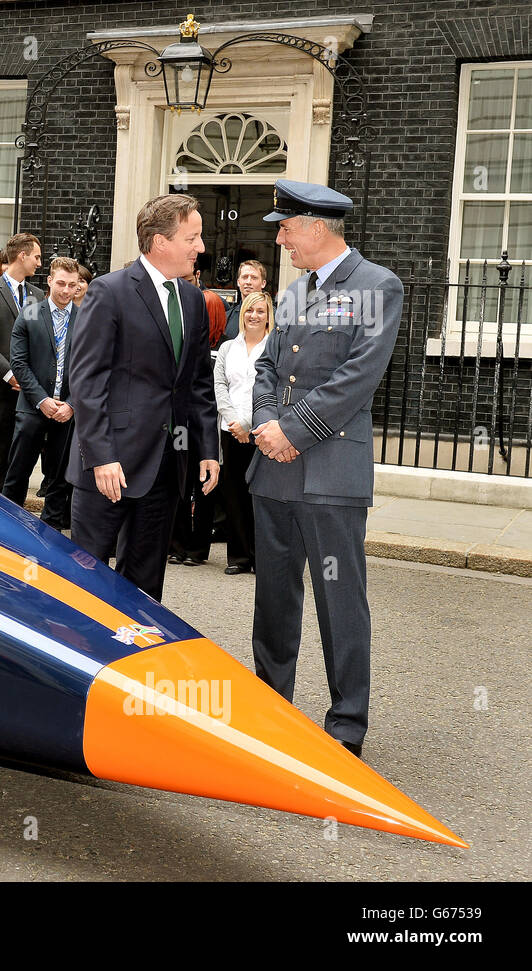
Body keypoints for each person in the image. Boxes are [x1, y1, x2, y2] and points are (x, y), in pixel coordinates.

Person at [249, 179, 403, 759]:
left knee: (340, 600)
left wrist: (292, 431)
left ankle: (346, 725)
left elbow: (360, 376)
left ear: (316, 227)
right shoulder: (293, 291)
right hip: (274, 472)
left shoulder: (377, 286)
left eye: (286, 228)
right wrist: (266, 424)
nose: (281, 238)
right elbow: (266, 366)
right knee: (274, 600)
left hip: (329, 473)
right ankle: (270, 709)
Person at [66, 194, 220, 602]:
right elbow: (86, 379)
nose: (201, 247)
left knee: (145, 587)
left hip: (168, 466)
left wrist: (207, 448)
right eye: (193, 237)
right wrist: (100, 456)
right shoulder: (109, 291)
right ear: (160, 242)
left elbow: (197, 382)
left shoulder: (192, 300)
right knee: (88, 580)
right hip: (109, 466)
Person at [3, 257, 79, 530]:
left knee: (59, 478)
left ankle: (52, 533)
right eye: (60, 283)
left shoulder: (84, 319)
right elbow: (19, 363)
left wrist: (70, 404)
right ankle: (9, 529)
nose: (66, 291)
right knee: (18, 473)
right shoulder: (31, 312)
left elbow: (90, 368)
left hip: (68, 413)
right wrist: (42, 400)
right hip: (33, 407)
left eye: (72, 285)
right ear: (49, 281)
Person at [0, 233, 44, 492]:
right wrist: (9, 374)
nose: (39, 262)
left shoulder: (37, 294)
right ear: (22, 256)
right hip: (0, 390)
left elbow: (39, 337)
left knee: (23, 457)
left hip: (30, 390)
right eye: (36, 257)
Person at [168, 268, 228, 565]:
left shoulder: (225, 346)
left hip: (205, 424)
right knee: (182, 483)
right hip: (184, 425)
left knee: (201, 485)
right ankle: (179, 545)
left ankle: (195, 548)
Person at [213, 290, 272, 575]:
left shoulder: (274, 348)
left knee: (258, 495)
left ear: (268, 316)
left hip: (262, 431)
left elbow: (268, 390)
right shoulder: (228, 349)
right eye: (249, 310)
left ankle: (261, 557)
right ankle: (238, 557)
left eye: (260, 311)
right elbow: (220, 386)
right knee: (234, 494)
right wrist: (234, 421)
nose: (254, 316)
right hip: (231, 430)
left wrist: (247, 424)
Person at [224, 259, 268, 341]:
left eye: (254, 278)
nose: (248, 282)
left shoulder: (275, 317)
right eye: (244, 277)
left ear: (263, 283)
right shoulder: (226, 318)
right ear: (238, 282)